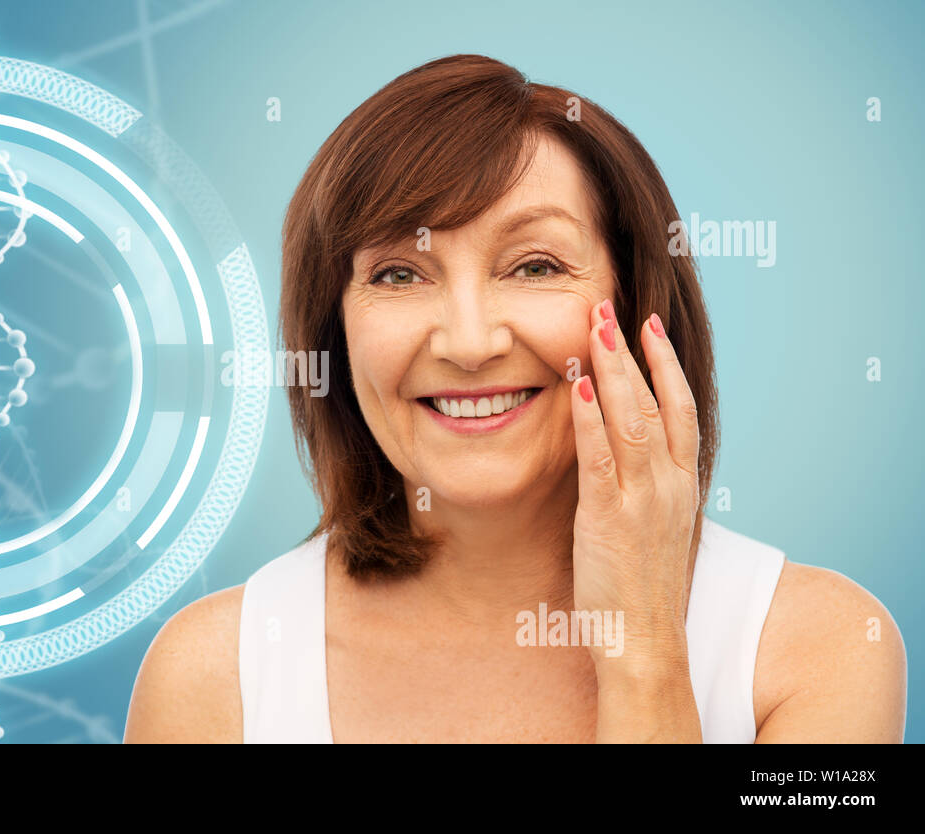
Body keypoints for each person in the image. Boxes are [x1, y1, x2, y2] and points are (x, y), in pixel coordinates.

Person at [124, 55, 906, 743]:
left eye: (534, 266)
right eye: (399, 274)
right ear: (337, 332)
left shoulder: (825, 650)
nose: (468, 343)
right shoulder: (211, 674)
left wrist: (643, 656)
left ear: (636, 309)